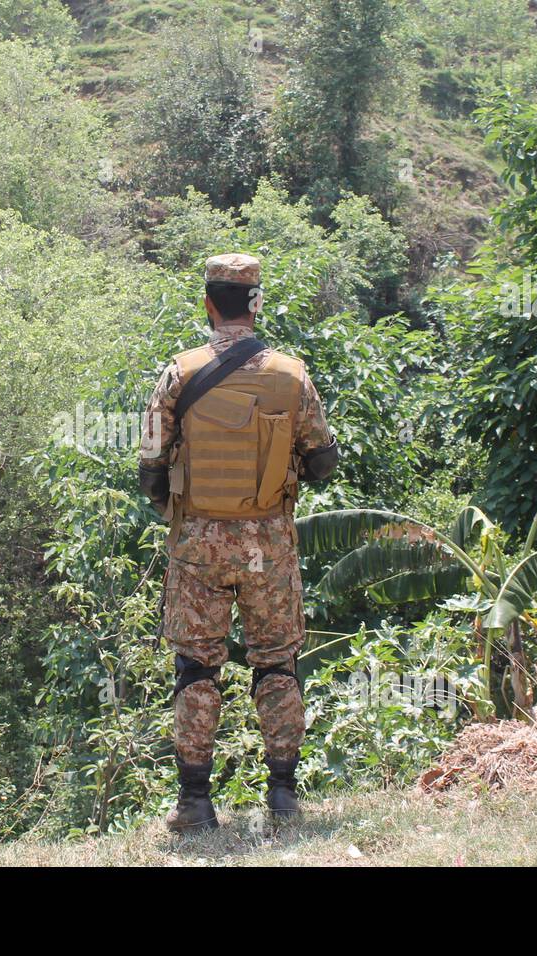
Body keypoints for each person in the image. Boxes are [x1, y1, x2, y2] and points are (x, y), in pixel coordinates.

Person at [139, 253, 339, 831]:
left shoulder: (179, 373)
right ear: (255, 304)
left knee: (196, 669)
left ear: (207, 303)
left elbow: (150, 468)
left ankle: (195, 804)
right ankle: (281, 796)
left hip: (198, 544)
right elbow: (323, 461)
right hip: (269, 544)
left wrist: (191, 514)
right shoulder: (291, 375)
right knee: (277, 664)